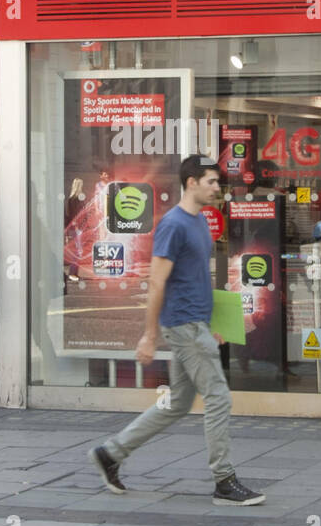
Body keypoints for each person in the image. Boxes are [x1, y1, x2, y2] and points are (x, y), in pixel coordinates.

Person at [88, 155, 265, 506]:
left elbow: (197, 280)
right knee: (219, 397)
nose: (217, 187)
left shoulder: (200, 222)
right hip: (183, 325)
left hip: (196, 323)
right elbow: (156, 283)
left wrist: (220, 321)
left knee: (177, 404)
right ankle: (224, 481)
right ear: (191, 183)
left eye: (217, 182)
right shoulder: (173, 225)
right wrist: (149, 335)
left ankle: (110, 453)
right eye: (211, 181)